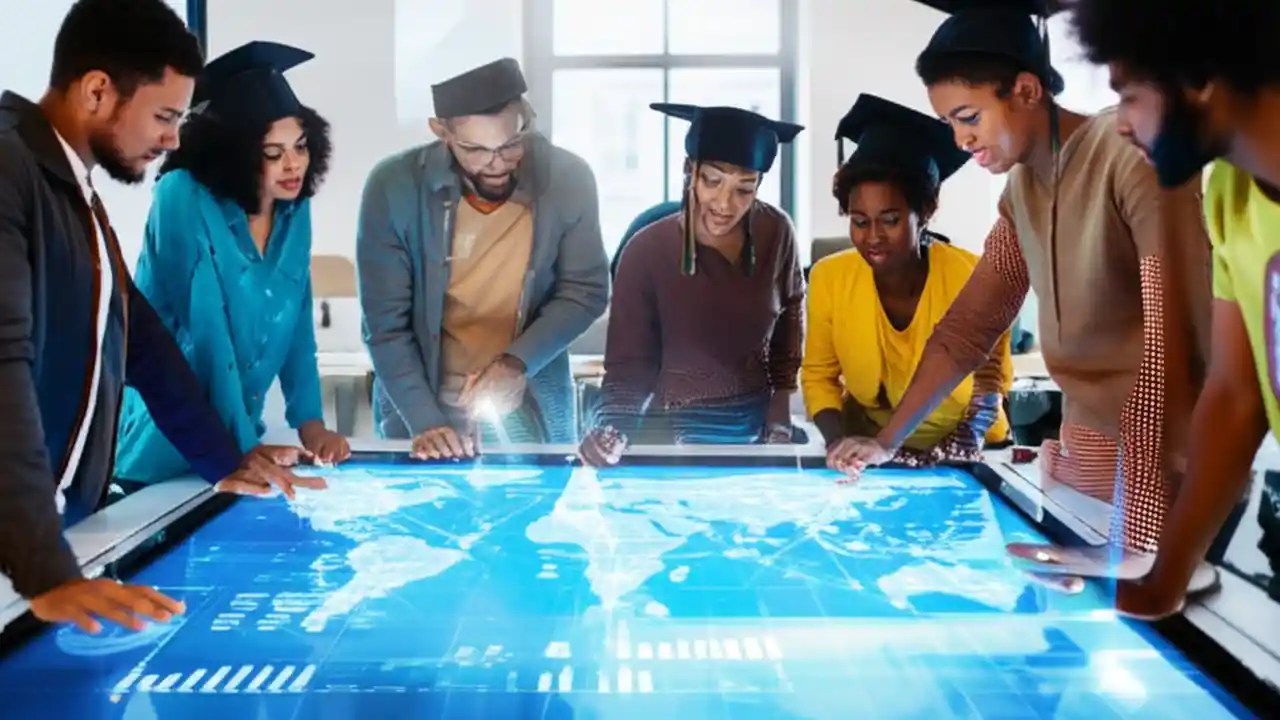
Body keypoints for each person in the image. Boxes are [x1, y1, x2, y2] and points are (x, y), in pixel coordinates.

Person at [834, 0, 1214, 579]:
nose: (960, 140)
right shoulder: (1021, 194)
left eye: (970, 117)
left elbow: (1170, 348)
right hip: (1087, 455)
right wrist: (888, 441)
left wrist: (1137, 539)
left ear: (1028, 91)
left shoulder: (1129, 157)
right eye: (951, 125)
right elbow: (966, 332)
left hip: (1165, 464)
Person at [0, 0, 322, 635]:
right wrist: (44, 569)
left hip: (60, 532)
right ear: (97, 91)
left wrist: (224, 459)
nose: (175, 138)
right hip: (20, 557)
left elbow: (139, 339)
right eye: (166, 115)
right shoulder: (9, 170)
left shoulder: (72, 189)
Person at [1069, 0, 1280, 618]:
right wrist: (1163, 581)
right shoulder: (1227, 192)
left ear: (1199, 79)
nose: (1122, 123)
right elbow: (1236, 396)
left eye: (1129, 95)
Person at [114, 41, 350, 485]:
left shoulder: (294, 208)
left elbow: (297, 319)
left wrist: (311, 423)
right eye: (273, 153)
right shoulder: (181, 196)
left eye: (300, 146)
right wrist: (240, 448)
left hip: (240, 443)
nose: (293, 165)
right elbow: (207, 334)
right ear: (237, 152)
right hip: (163, 444)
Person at [357, 58, 608, 459]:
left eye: (511, 145)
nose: (496, 163)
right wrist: (427, 423)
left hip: (531, 401)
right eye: (475, 149)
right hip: (420, 406)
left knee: (533, 515)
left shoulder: (568, 178)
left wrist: (516, 364)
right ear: (441, 132)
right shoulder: (393, 186)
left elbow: (586, 291)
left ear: (528, 120)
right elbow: (385, 327)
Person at [578, 104, 805, 466]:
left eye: (744, 189)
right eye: (712, 181)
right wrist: (614, 429)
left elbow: (790, 318)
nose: (725, 204)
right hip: (667, 426)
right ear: (690, 172)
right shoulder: (645, 250)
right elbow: (628, 366)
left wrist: (779, 412)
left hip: (752, 422)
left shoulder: (776, 231)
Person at [806, 94, 1014, 472]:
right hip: (871, 452)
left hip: (969, 448)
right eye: (859, 220)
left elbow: (992, 376)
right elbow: (819, 377)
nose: (872, 237)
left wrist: (960, 446)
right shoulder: (828, 278)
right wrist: (839, 443)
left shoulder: (974, 275)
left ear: (927, 210)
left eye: (890, 220)